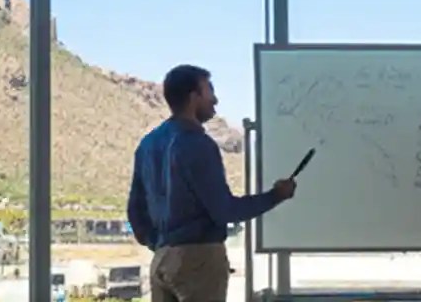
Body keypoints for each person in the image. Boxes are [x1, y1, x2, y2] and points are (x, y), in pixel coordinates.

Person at [127, 64, 297, 302]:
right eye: (209, 91)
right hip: (198, 258)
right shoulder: (197, 143)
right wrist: (275, 196)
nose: (215, 100)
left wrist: (161, 245)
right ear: (193, 97)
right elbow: (225, 210)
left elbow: (135, 211)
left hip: (162, 260)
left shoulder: (148, 144)